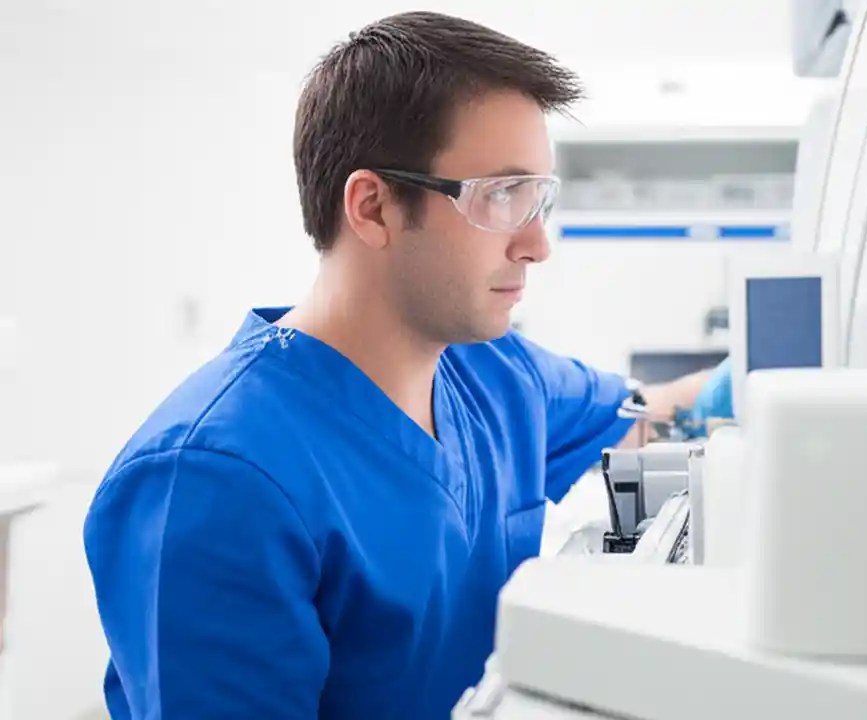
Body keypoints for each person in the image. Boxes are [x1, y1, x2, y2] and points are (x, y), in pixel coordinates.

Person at [83, 12, 724, 719]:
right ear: (373, 207)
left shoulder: (493, 370)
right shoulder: (213, 481)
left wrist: (751, 391)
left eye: (538, 197)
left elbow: (639, 415)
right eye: (502, 196)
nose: (538, 245)